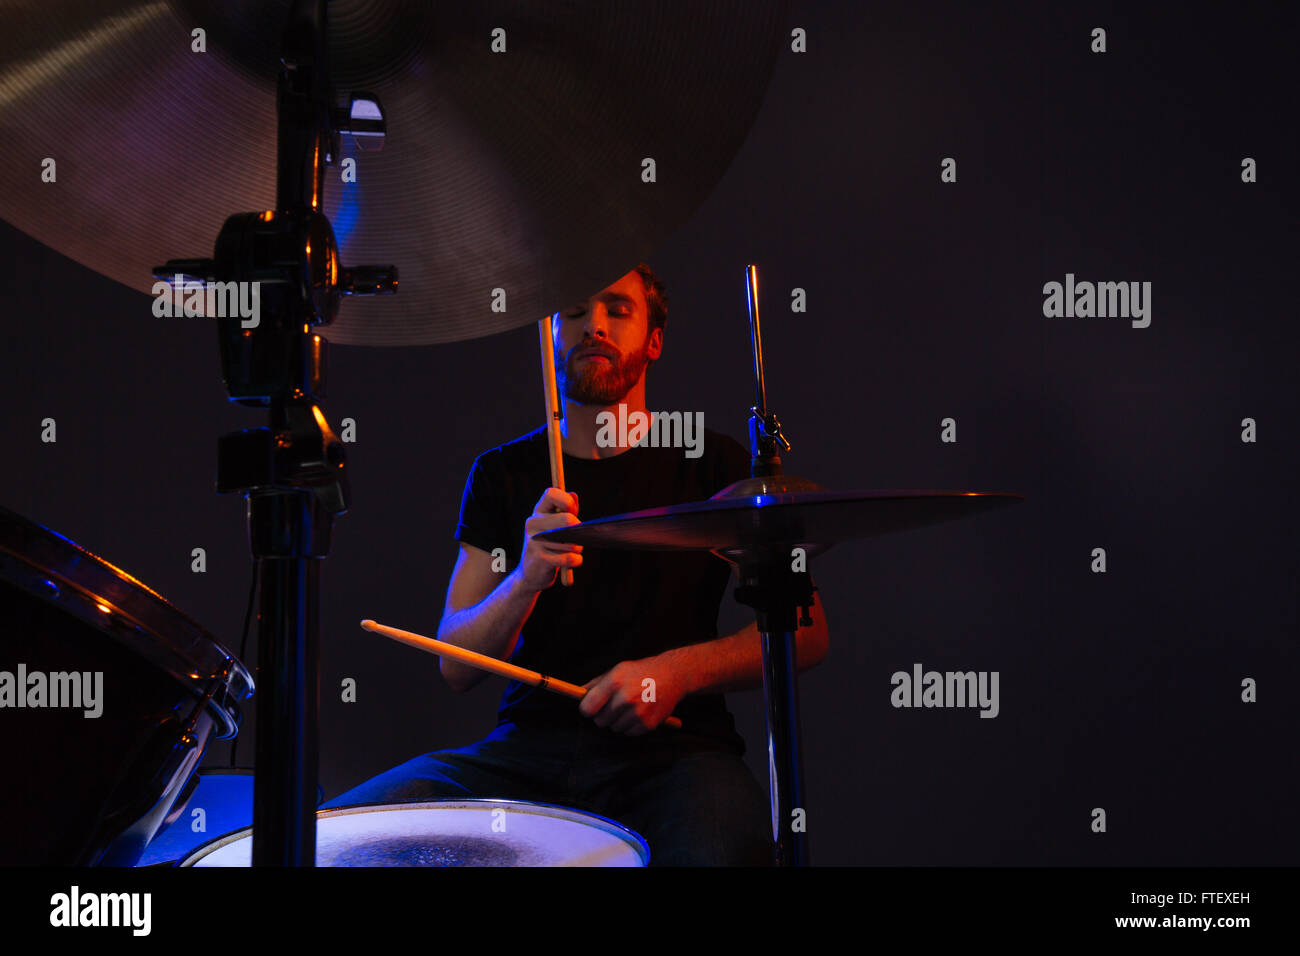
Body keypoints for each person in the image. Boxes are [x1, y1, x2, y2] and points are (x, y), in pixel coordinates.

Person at [324, 264, 829, 865]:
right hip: (525, 756)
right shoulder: (503, 473)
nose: (594, 325)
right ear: (549, 336)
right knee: (339, 842)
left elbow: (807, 632)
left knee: (718, 847)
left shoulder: (712, 464)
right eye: (572, 311)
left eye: (618, 309)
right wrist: (524, 578)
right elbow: (455, 660)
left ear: (654, 339)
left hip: (680, 758)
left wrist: (673, 673)